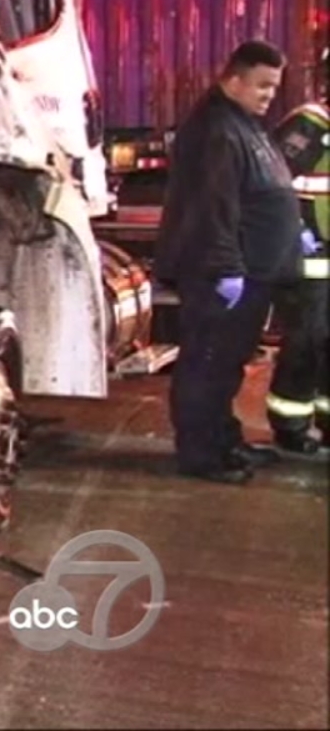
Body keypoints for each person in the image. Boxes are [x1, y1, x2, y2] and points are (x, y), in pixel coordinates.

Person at [154, 40, 301, 484]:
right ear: (232, 79)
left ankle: (224, 439)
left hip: (252, 272)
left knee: (228, 364)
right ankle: (203, 455)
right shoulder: (217, 129)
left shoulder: (245, 124)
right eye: (261, 85)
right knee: (208, 364)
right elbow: (212, 207)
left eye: (274, 87)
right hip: (223, 273)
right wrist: (224, 270)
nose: (268, 95)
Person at [265, 99, 329, 456]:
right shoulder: (308, 125)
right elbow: (271, 183)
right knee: (307, 342)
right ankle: (290, 426)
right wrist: (298, 231)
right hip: (311, 260)